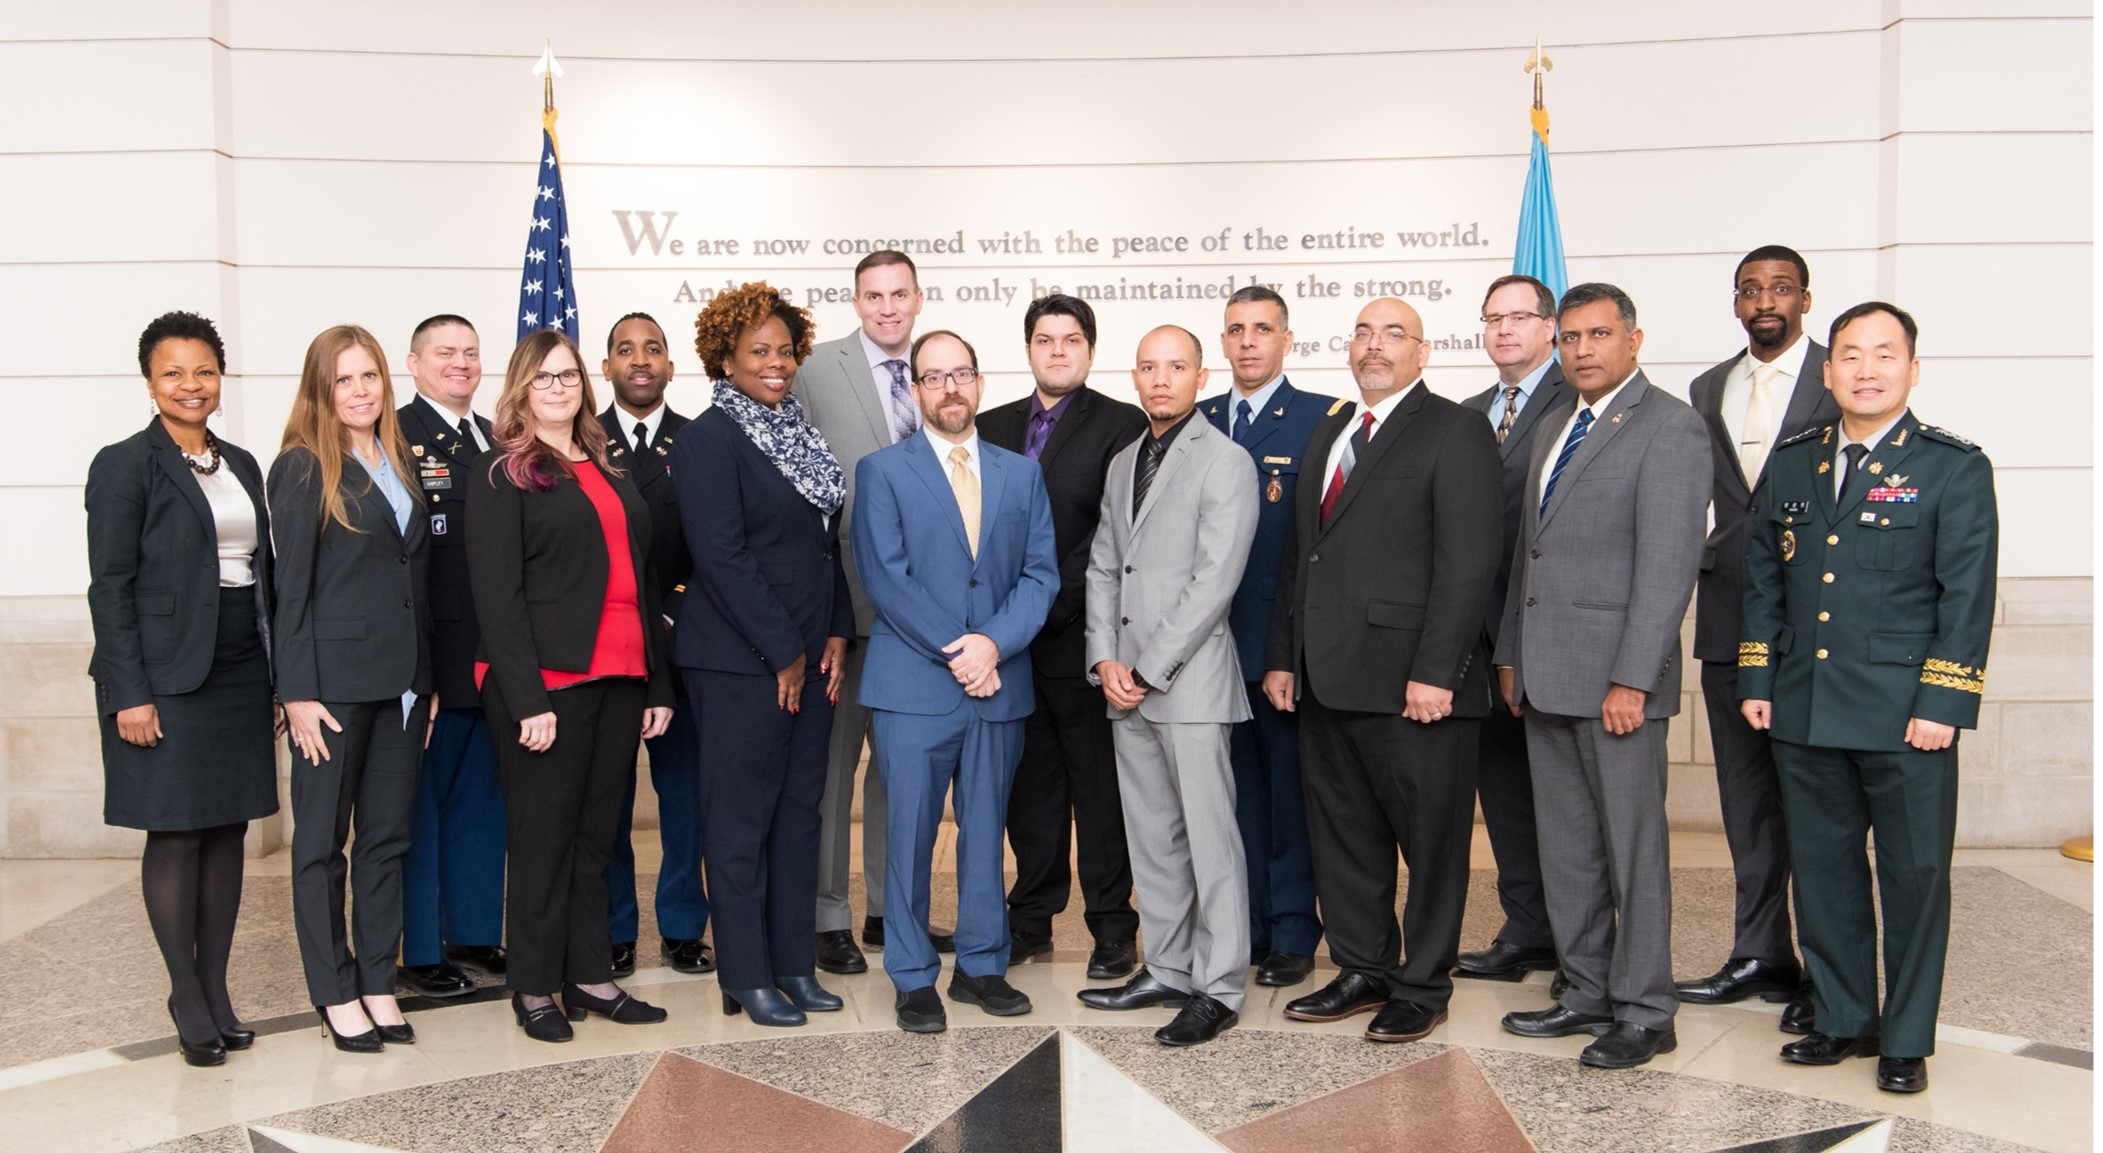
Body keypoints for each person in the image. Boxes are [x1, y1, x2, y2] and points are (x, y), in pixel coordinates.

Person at [1739, 302, 1997, 1095]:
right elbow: (1764, 577)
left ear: (1911, 369)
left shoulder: (1951, 466)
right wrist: (1758, 679)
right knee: (1823, 873)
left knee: (1913, 878)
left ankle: (1905, 1036)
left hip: (1904, 715)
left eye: (1884, 354)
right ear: (1827, 371)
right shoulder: (1793, 461)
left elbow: (1966, 597)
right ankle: (1843, 1015)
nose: (1866, 369)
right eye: (1850, 354)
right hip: (1804, 705)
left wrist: (1943, 702)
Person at [1263, 298, 1502, 1044]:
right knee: (1345, 839)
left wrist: (1437, 671)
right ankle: (1362, 967)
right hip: (1326, 678)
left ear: (1422, 352)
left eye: (1394, 334)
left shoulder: (1456, 429)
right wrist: (1283, 655)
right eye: (1363, 333)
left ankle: (1422, 984)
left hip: (1413, 688)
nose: (1375, 346)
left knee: (1430, 846)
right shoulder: (1332, 429)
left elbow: (1469, 564)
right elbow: (1302, 554)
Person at [1493, 283, 1710, 1069]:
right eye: (1571, 337)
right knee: (1568, 850)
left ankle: (1646, 1009)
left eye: (1598, 334)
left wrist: (1633, 679)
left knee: (1631, 853)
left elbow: (1667, 566)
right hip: (1544, 675)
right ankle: (1584, 990)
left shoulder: (1670, 427)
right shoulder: (1556, 422)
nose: (1582, 350)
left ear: (1633, 339)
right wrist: (1510, 653)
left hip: (1615, 686)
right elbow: (1530, 554)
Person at [466, 329, 675, 1042]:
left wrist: (657, 684)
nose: (558, 388)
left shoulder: (606, 464)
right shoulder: (505, 472)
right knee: (541, 838)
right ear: (521, 388)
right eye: (543, 377)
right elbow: (497, 598)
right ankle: (533, 985)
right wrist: (526, 699)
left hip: (621, 674)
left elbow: (643, 578)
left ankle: (588, 974)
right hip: (547, 685)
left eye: (568, 376)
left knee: (595, 837)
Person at [851, 329, 1058, 1034]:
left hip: (998, 682)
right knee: (909, 833)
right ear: (915, 390)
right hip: (914, 687)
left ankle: (980, 965)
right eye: (934, 377)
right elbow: (885, 577)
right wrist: (960, 651)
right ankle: (912, 974)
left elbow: (1039, 575)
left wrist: (992, 644)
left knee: (986, 831)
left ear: (979, 381)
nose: (949, 388)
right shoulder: (882, 471)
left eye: (960, 374)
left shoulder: (1020, 474)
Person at [87, 311, 279, 1067]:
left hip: (241, 666)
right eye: (173, 372)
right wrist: (129, 691)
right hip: (163, 676)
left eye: (203, 371)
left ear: (220, 378)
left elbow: (261, 572)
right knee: (175, 830)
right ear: (149, 381)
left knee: (227, 828)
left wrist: (278, 679)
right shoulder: (124, 464)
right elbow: (110, 585)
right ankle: (186, 994)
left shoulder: (242, 464)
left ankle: (216, 988)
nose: (190, 385)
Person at [674, 284, 853, 1027]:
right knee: (739, 820)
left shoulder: (799, 433)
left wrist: (836, 629)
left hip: (810, 655)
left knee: (799, 814)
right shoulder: (708, 439)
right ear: (726, 358)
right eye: (758, 351)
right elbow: (721, 556)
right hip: (739, 660)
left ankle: (793, 965)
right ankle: (746, 975)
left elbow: (822, 546)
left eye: (785, 350)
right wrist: (783, 651)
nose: (775, 363)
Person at [1080, 325, 1258, 1047]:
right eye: (1149, 367)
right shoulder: (1124, 460)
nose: (1161, 379)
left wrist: (1148, 668)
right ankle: (1168, 967)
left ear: (1200, 376)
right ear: (1134, 377)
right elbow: (1103, 566)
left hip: (1186, 683)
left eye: (1176, 367)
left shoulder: (1226, 460)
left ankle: (1219, 986)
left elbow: (1215, 580)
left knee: (1211, 843)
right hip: (1123, 683)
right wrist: (1104, 661)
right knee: (1153, 840)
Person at [1678, 246, 1837, 1032]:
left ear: (1804, 298)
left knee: (1814, 803)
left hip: (1814, 621)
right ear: (1735, 302)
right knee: (1744, 800)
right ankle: (1759, 952)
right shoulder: (1707, 387)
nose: (1763, 300)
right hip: (1727, 613)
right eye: (1750, 289)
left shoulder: (1838, 376)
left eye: (1779, 288)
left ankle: (1827, 972)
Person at [270, 324, 434, 1053]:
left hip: (403, 686)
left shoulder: (399, 456)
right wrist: (296, 692)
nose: (361, 390)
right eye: (344, 379)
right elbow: (291, 590)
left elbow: (415, 579)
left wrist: (426, 681)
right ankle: (334, 991)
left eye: (369, 375)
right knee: (320, 845)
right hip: (330, 690)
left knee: (386, 840)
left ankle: (376, 980)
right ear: (321, 389)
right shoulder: (304, 466)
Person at [793, 251, 953, 971]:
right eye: (873, 296)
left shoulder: (940, 371)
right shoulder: (813, 371)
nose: (887, 308)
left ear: (917, 298)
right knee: (832, 771)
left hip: (925, 617)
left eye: (898, 294)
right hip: (845, 611)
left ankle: (894, 911)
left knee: (899, 772)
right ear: (855, 302)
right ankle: (826, 915)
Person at [978, 294, 1146, 979]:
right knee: (1030, 795)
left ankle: (1111, 927)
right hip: (1009, 650)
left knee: (1099, 795)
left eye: (1070, 339)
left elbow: (1115, 535)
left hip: (1084, 641)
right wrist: (1004, 624)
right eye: (1044, 339)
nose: (1057, 350)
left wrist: (1042, 604)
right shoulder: (988, 426)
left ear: (1090, 349)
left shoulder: (1123, 424)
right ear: (1027, 349)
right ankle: (1030, 920)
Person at [1197, 285, 1336, 988]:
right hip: (1202, 650)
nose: (1247, 341)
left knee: (1287, 799)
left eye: (1261, 328)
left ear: (1287, 339)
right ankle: (1242, 924)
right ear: (1221, 342)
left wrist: (1290, 650)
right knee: (1230, 800)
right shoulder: (1196, 419)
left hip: (1275, 648)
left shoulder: (1323, 420)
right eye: (1235, 329)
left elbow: (1315, 551)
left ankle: (1290, 928)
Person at [1454, 275, 1571, 984]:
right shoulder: (1469, 414)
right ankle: (1526, 929)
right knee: (1502, 796)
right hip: (1477, 638)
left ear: (1549, 327)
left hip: (1545, 637)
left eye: (1519, 317)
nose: (1504, 329)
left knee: (1561, 802)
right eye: (1493, 318)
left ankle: (1579, 942)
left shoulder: (1577, 402)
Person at [598, 311, 712, 978]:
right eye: (624, 349)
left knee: (685, 798)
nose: (638, 359)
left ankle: (681, 926)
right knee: (607, 801)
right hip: (606, 648)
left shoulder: (698, 442)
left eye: (652, 349)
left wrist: (670, 613)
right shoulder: (580, 442)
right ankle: (615, 928)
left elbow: (715, 547)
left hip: (680, 644)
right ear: (606, 367)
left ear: (670, 366)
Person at [396, 314, 507, 998]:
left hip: (494, 657)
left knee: (482, 803)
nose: (460, 362)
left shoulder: (498, 437)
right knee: (424, 807)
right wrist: (421, 672)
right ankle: (419, 945)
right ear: (414, 363)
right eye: (445, 352)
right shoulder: (396, 436)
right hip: (434, 658)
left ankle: (473, 930)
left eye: (470, 352)